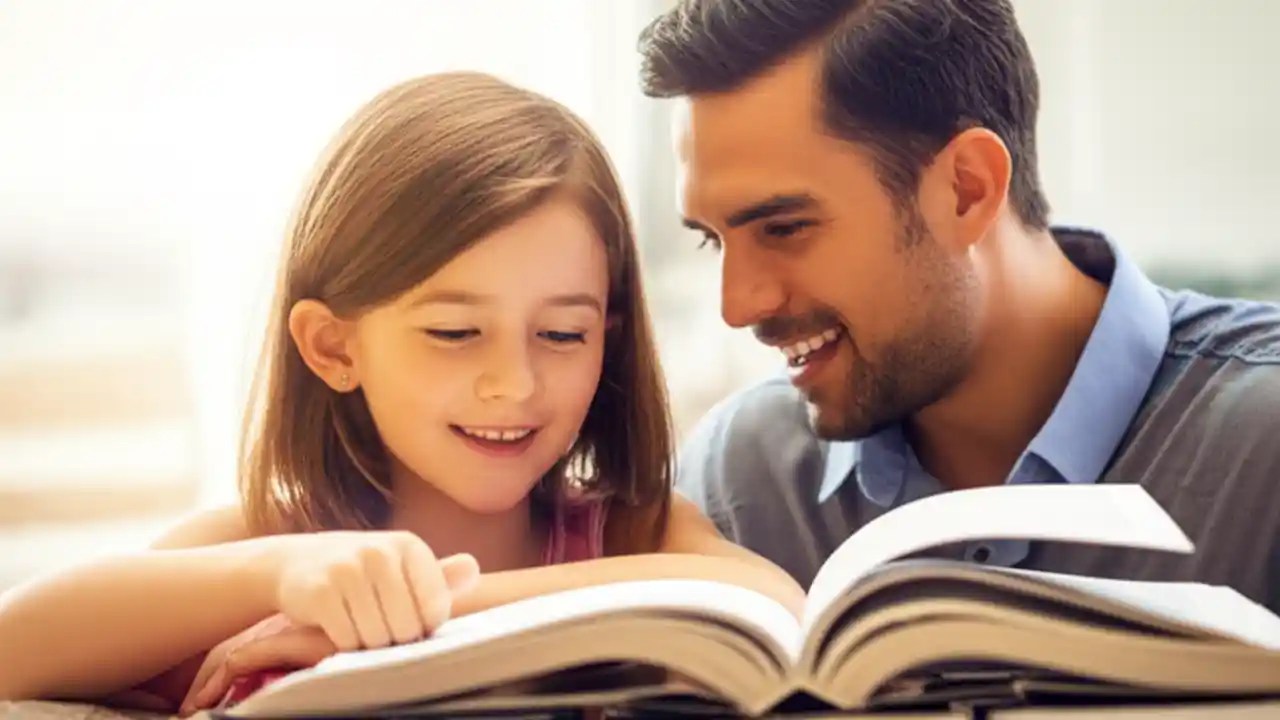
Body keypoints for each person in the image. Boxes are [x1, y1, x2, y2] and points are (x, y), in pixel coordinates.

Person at [0, 71, 803, 714]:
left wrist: (433, 618)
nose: (515, 384)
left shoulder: (637, 532)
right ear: (333, 346)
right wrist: (276, 577)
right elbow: (14, 647)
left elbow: (769, 602)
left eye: (563, 335)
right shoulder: (269, 547)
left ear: (610, 339)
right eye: (455, 334)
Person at [637, 0, 1280, 613]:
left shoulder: (1261, 448)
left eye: (784, 228)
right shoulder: (738, 483)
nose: (738, 305)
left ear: (966, 191)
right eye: (711, 238)